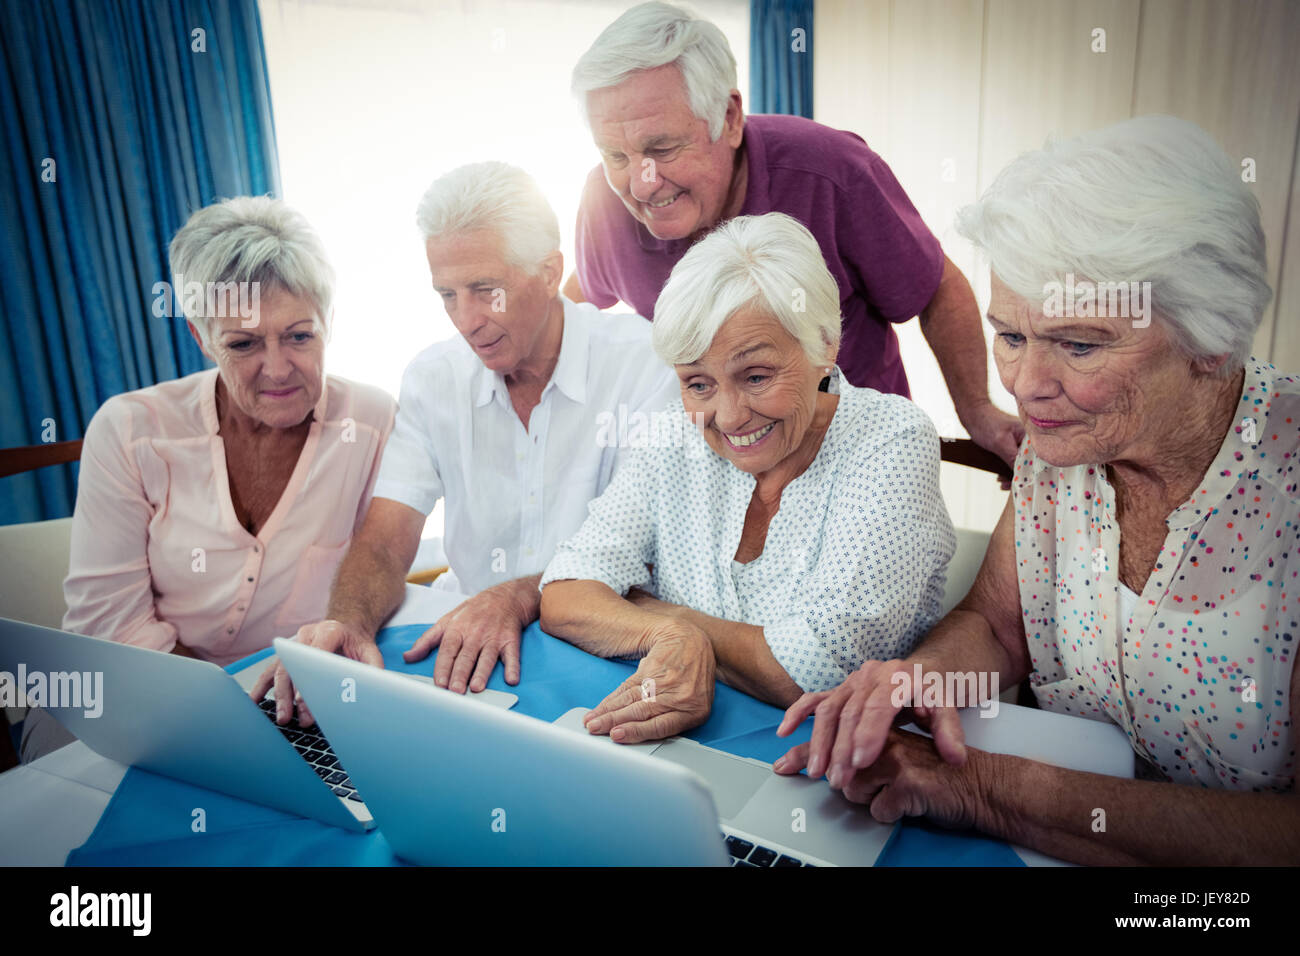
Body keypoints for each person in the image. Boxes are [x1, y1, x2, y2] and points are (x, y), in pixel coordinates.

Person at [774, 115, 1300, 865]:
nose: (1024, 385)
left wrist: (984, 788)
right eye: (1011, 336)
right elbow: (997, 626)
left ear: (1211, 339)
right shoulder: (1063, 448)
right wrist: (911, 679)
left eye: (1079, 345)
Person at [253, 162, 676, 723]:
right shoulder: (433, 378)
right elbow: (384, 539)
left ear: (550, 273)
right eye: (447, 294)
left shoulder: (646, 362)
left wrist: (517, 594)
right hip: (463, 647)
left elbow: (649, 554)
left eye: (486, 290)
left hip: (604, 649)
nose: (466, 320)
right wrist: (349, 622)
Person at [539, 212, 955, 744]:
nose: (730, 416)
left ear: (824, 344)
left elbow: (819, 667)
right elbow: (567, 589)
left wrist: (661, 615)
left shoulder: (890, 438)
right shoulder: (671, 433)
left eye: (756, 376)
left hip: (845, 755)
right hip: (686, 745)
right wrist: (665, 632)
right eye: (698, 384)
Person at [566, 0, 1022, 466]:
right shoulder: (603, 201)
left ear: (728, 119)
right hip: (720, 461)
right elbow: (578, 304)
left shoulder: (833, 171)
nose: (641, 184)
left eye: (661, 148)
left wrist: (978, 412)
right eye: (615, 156)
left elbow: (935, 288)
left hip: (855, 460)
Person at [22, 196, 395, 761]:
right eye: (243, 344)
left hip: (297, 707)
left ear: (329, 322)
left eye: (299, 336)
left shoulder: (370, 423)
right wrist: (238, 714)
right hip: (132, 697)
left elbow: (378, 571)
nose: (277, 369)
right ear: (200, 337)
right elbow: (108, 628)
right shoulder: (131, 430)